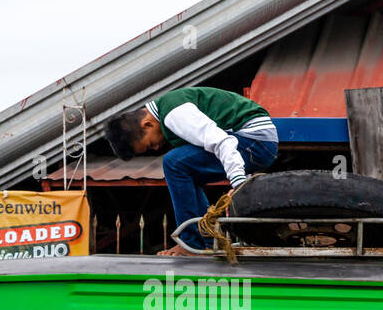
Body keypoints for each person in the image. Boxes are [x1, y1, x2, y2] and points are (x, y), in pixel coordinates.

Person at [104, 87, 278, 257]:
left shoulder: (175, 114)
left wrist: (239, 184)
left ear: (147, 124)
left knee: (174, 163)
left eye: (150, 144)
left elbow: (222, 142)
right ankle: (207, 242)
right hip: (254, 142)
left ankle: (191, 243)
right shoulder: (168, 112)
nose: (157, 147)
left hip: (255, 141)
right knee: (185, 169)